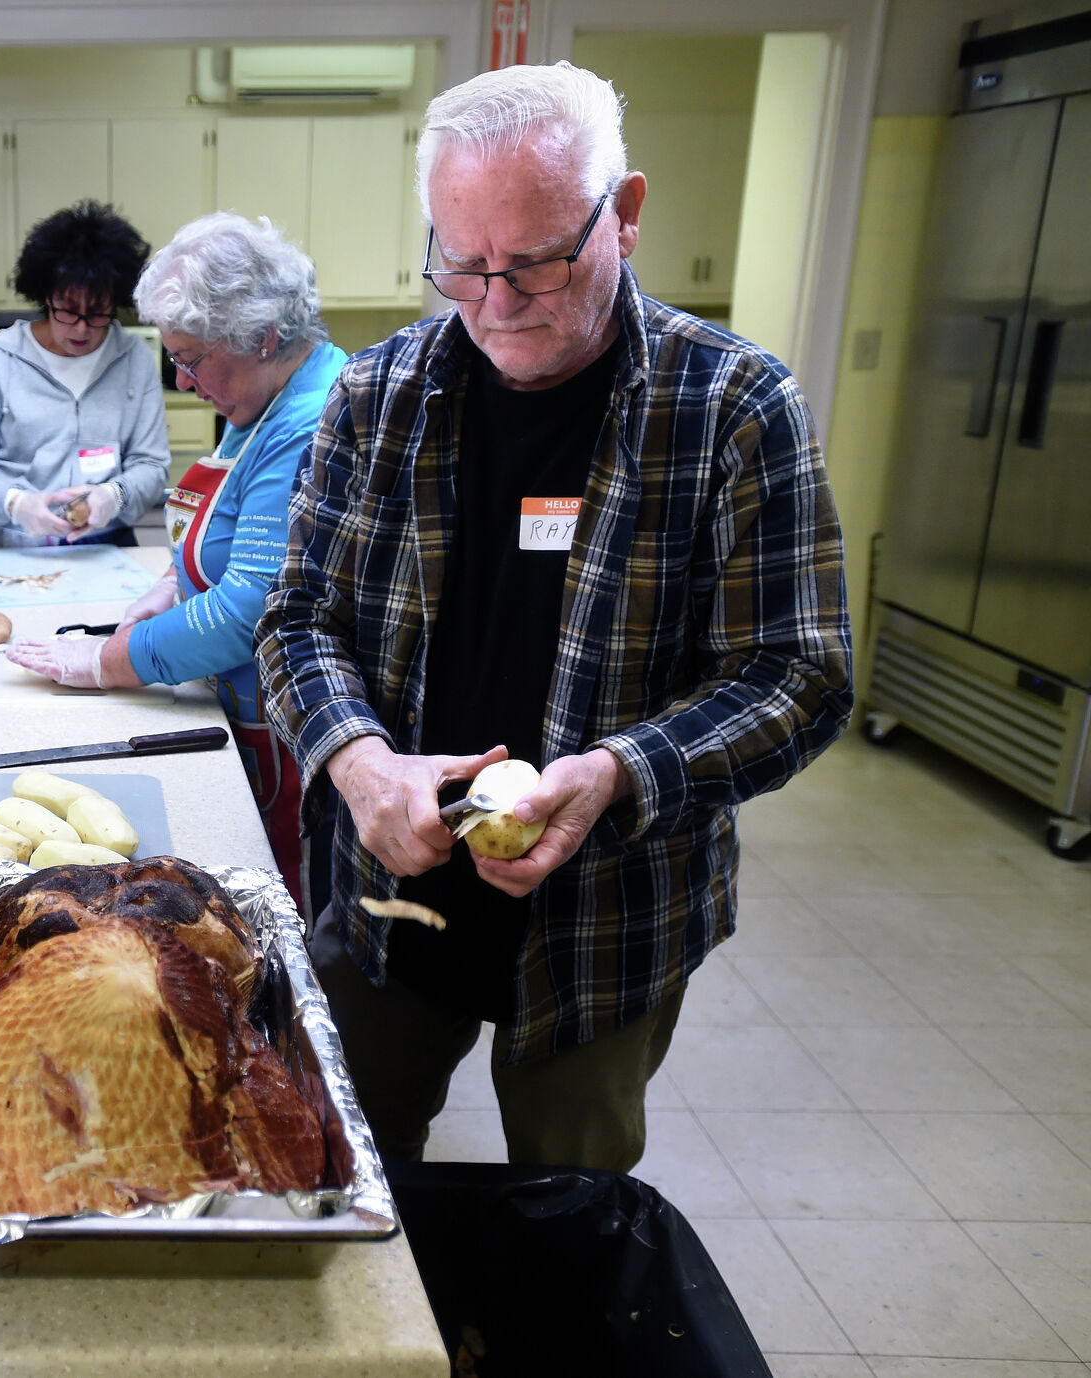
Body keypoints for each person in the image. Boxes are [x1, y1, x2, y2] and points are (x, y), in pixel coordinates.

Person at [254, 62, 852, 1172]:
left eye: (531, 262)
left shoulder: (728, 404)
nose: (492, 301)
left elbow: (798, 674)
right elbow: (297, 617)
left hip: (608, 927)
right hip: (387, 895)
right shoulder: (372, 395)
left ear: (621, 214)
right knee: (339, 1174)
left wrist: (617, 771)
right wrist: (357, 761)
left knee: (563, 1221)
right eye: (459, 266)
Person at [5, 213, 349, 897]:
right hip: (234, 700)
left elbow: (250, 609)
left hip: (281, 723)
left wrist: (103, 663)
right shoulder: (260, 391)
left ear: (263, 338)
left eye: (190, 358)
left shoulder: (307, 419)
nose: (184, 381)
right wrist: (173, 578)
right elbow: (235, 525)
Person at [0, 201, 168, 546]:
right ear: (45, 297)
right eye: (68, 310)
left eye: (97, 313)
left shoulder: (134, 360)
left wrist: (114, 496)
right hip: (12, 548)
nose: (81, 329)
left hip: (105, 550)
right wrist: (15, 503)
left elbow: (151, 465)